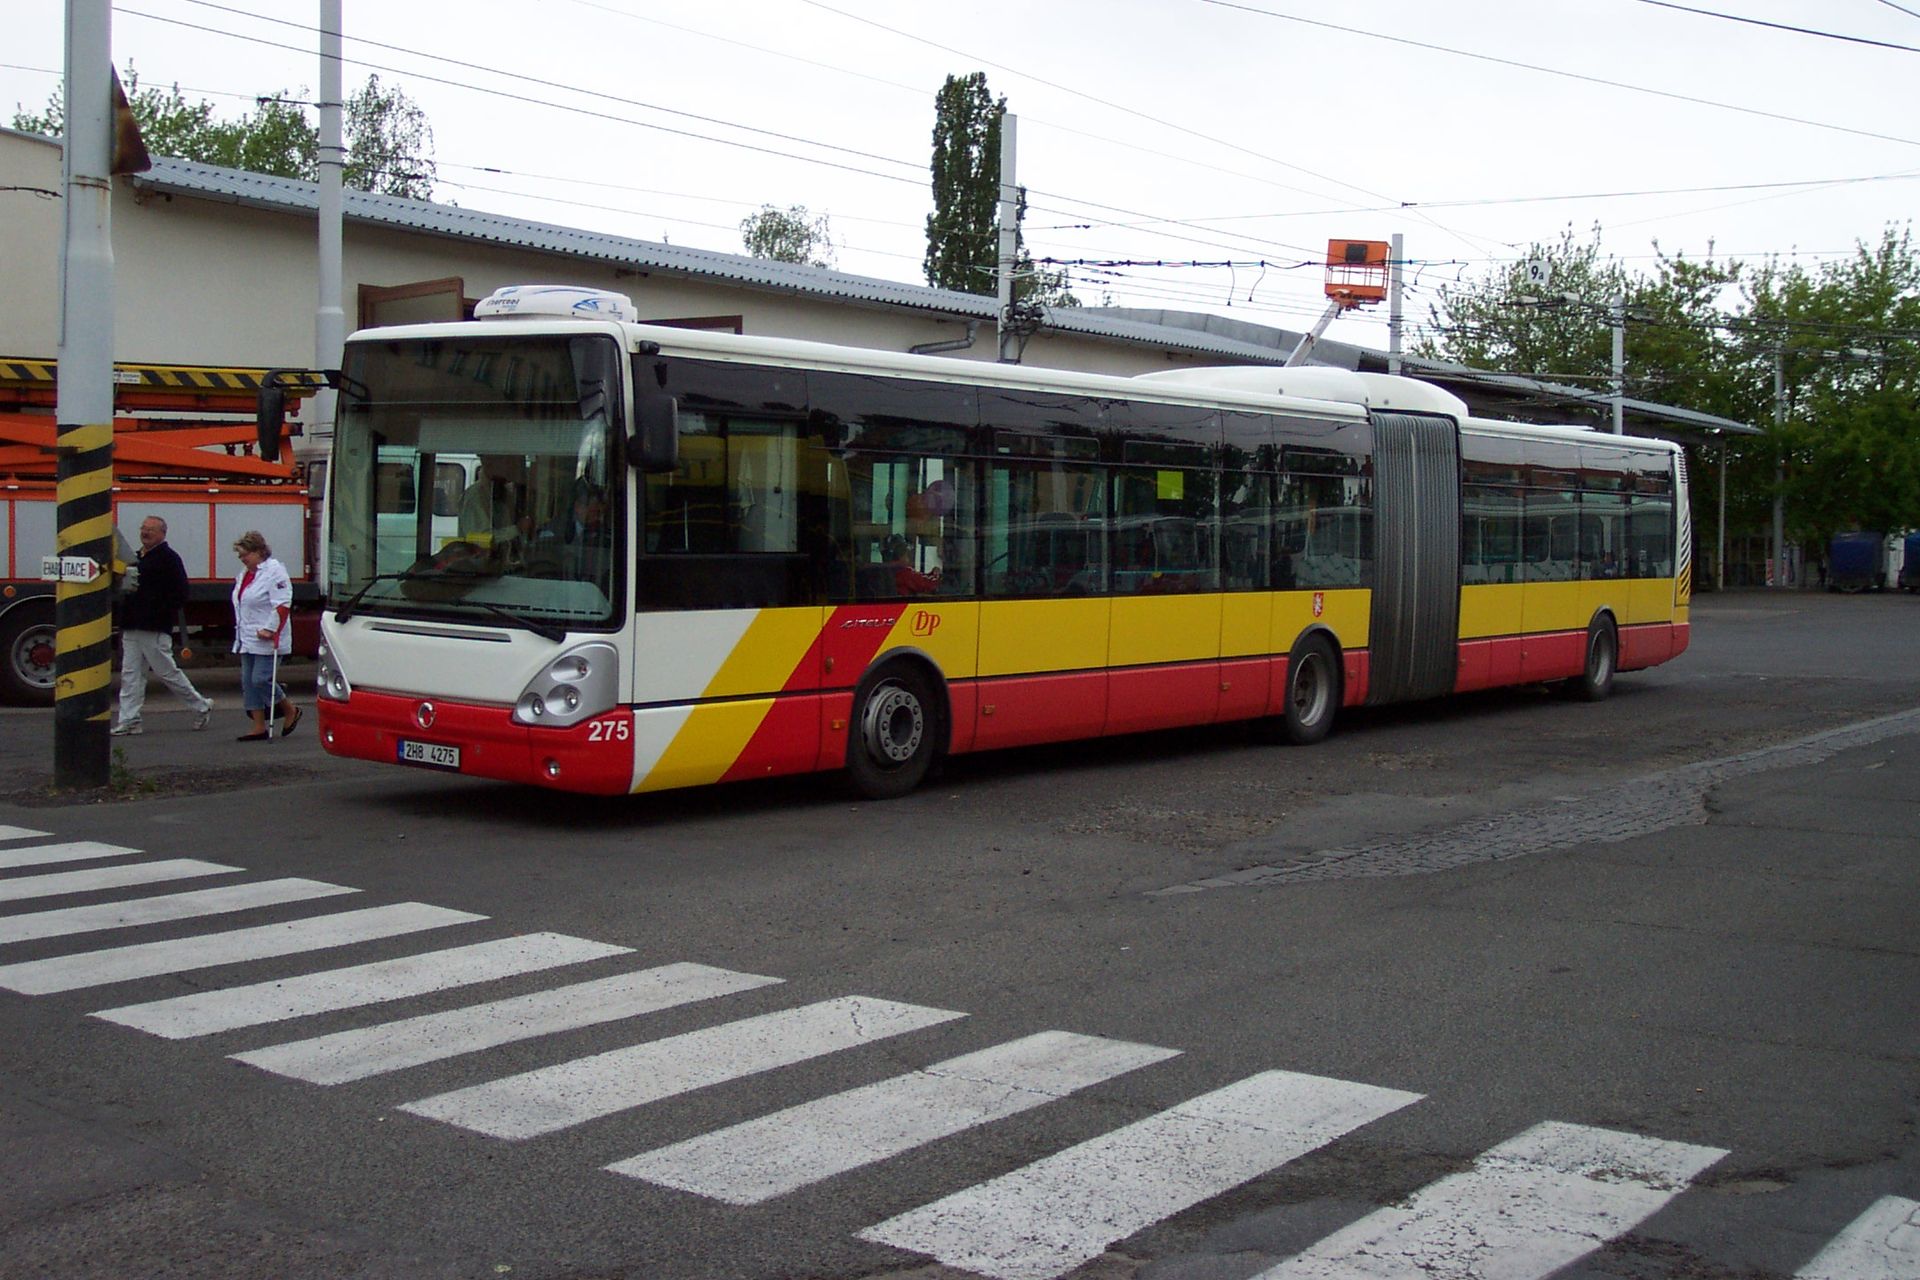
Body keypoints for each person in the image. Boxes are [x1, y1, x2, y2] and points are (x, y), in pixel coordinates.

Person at [111, 516, 213, 735]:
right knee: (130, 675)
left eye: (151, 529)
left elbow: (181, 593)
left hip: (154, 627)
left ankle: (201, 706)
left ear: (162, 533)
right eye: (143, 528)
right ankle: (130, 719)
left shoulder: (169, 559)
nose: (145, 532)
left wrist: (159, 611)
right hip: (131, 625)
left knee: (167, 672)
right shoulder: (136, 557)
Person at [230, 530, 300, 742]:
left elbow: (282, 603)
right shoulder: (245, 575)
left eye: (246, 555)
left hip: (267, 638)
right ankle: (258, 725)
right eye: (240, 556)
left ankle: (289, 709)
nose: (243, 559)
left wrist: (270, 629)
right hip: (247, 636)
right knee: (248, 682)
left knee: (260, 679)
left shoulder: (274, 571)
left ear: (259, 551)